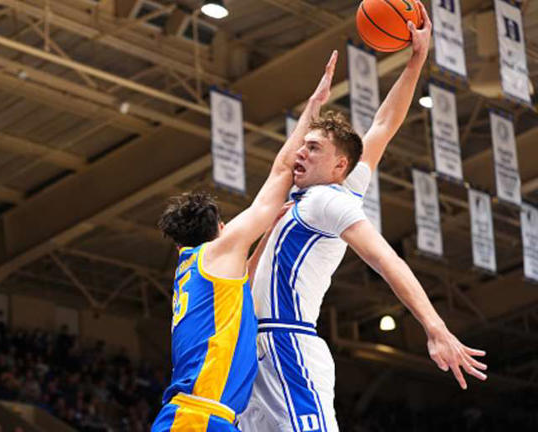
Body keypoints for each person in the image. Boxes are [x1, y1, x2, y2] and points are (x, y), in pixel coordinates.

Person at [239, 3, 487, 431]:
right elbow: (382, 125)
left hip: (287, 344)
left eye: (313, 148)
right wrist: (413, 62)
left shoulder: (329, 201)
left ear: (340, 167)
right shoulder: (303, 197)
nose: (300, 151)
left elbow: (387, 260)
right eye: (303, 144)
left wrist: (435, 326)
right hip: (252, 352)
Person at [150, 53, 340, 432]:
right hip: (197, 418)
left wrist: (270, 230)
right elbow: (283, 171)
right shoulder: (217, 251)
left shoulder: (201, 273)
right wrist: (313, 109)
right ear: (221, 228)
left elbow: (247, 280)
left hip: (205, 417)